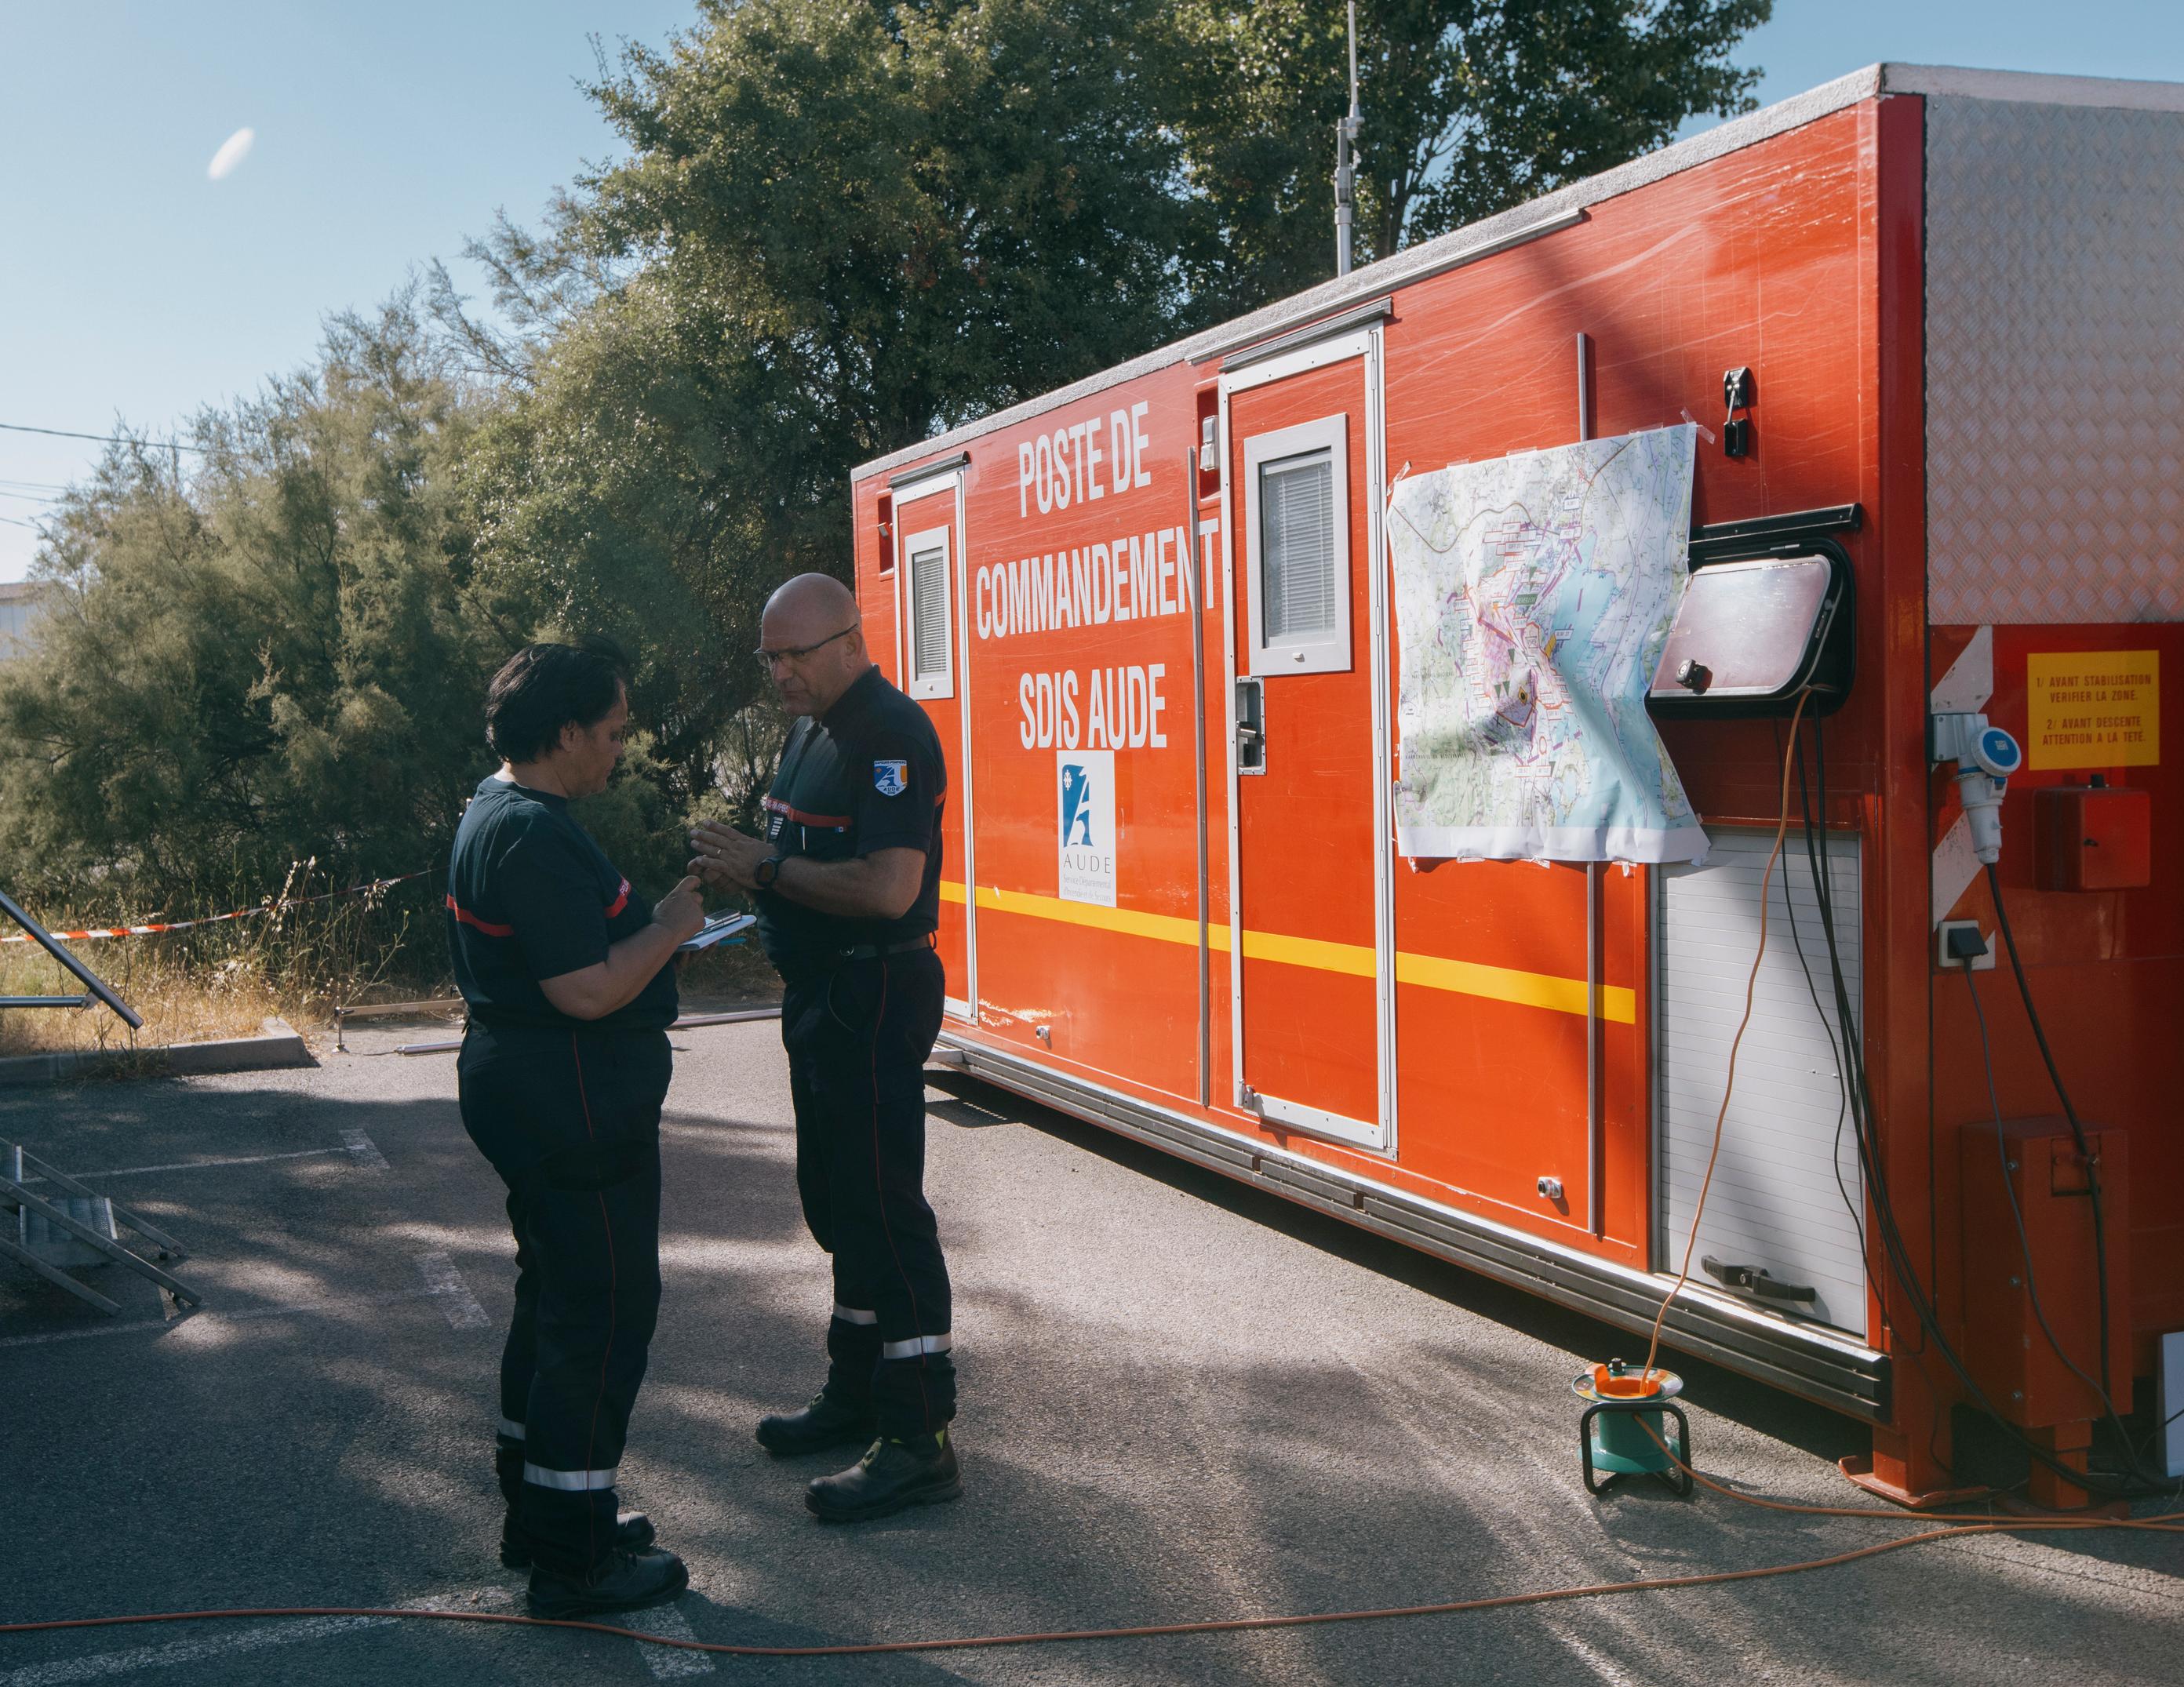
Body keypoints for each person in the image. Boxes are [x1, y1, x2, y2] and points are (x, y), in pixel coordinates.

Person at [446, 637, 706, 1616]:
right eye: (611, 732)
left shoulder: (500, 804)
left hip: (536, 1087)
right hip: (569, 1096)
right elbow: (586, 989)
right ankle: (572, 1557)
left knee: (557, 1298)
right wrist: (673, 926)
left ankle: (548, 1505)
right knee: (599, 1317)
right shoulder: (532, 833)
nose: (619, 749)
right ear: (562, 735)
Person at [690, 573, 958, 1523]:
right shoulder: (810, 729)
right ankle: (854, 1393)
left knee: (885, 1208)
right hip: (819, 992)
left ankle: (920, 1435)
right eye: (770, 658)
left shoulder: (890, 733)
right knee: (837, 1202)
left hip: (874, 986)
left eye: (794, 655)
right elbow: (796, 858)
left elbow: (889, 888)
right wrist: (742, 864)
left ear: (850, 639)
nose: (779, 675)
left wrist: (765, 867)